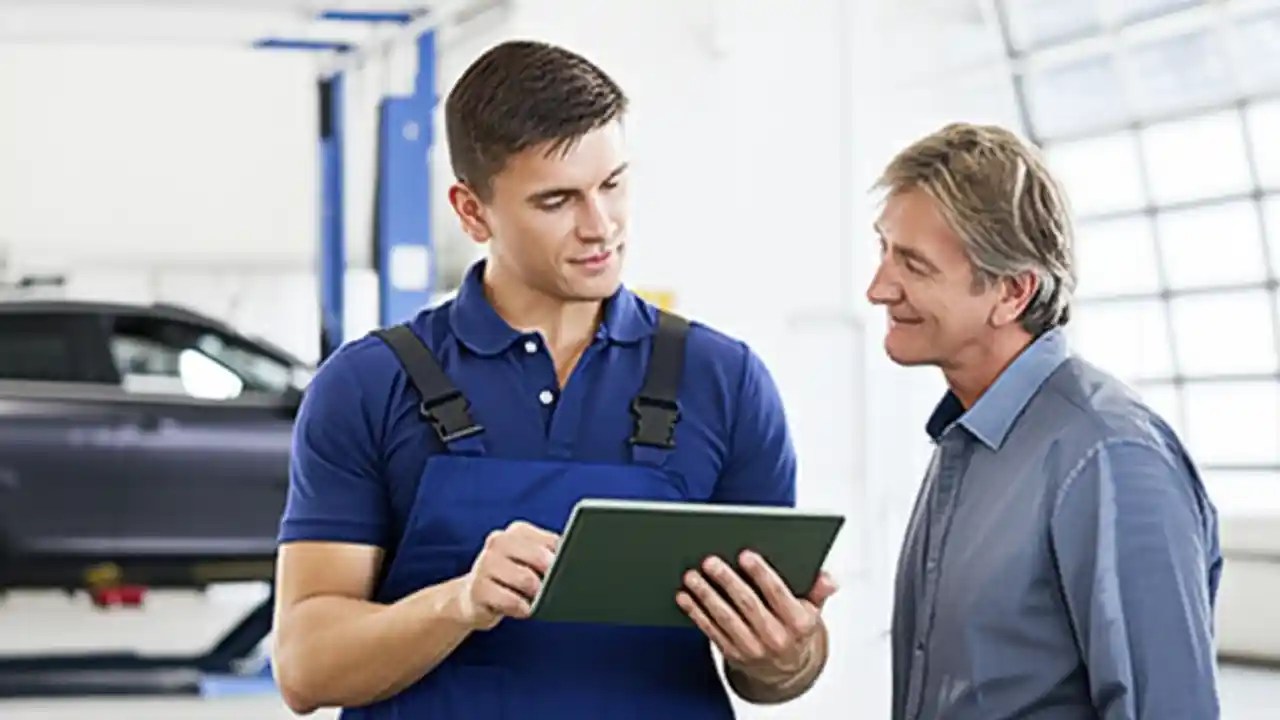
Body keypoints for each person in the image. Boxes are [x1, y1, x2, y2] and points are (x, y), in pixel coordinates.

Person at [270, 40, 836, 719]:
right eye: (557, 200)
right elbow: (305, 668)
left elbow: (773, 674)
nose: (601, 227)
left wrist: (787, 656)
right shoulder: (367, 385)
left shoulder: (724, 380)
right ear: (472, 211)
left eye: (613, 184)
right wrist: (461, 602)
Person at [866, 122, 1223, 719]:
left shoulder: (1110, 456)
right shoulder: (967, 440)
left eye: (915, 265)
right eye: (884, 250)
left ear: (1012, 292)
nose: (879, 288)